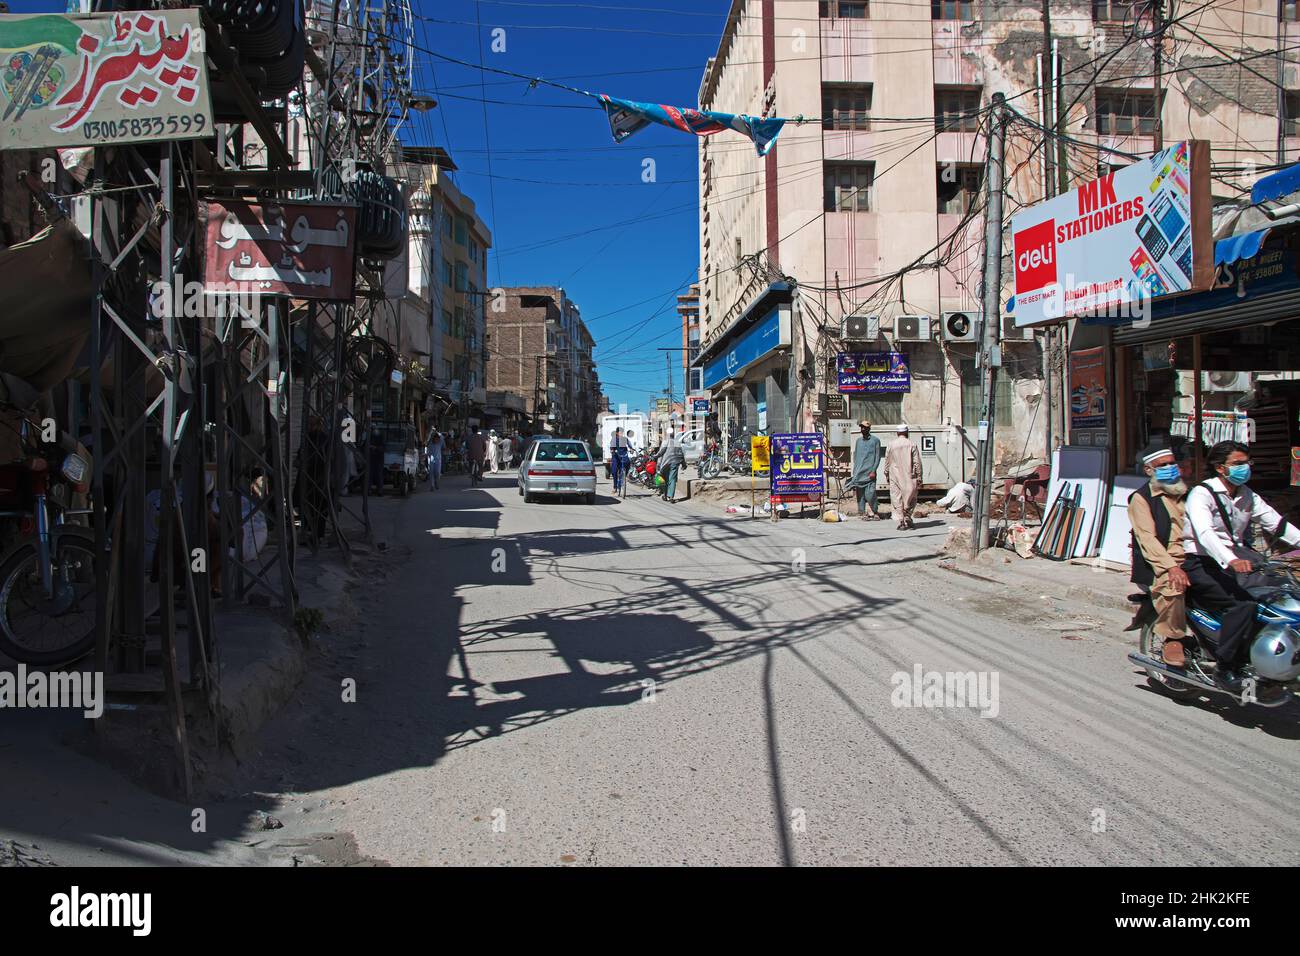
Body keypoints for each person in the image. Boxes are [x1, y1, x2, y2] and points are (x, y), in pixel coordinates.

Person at [1183, 440, 1300, 688]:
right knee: (1243, 605)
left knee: (1281, 594)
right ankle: (1225, 668)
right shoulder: (1201, 493)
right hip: (1202, 562)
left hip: (1240, 558)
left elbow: (1277, 525)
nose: (1244, 468)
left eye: (1247, 462)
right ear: (1220, 467)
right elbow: (1205, 534)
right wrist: (1231, 559)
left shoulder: (1247, 495)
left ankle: (1264, 660)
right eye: (1237, 463)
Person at [1128, 447, 1190, 666]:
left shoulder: (1187, 493)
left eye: (1172, 463)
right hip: (1164, 561)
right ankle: (1172, 638)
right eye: (1163, 465)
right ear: (1148, 470)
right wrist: (1171, 567)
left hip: (1192, 556)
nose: (1170, 468)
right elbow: (1147, 539)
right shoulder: (1141, 498)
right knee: (1173, 586)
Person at [884, 424, 922, 530]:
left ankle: (901, 521)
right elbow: (917, 462)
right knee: (911, 497)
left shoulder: (891, 444)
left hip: (894, 475)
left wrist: (886, 473)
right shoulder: (912, 444)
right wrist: (919, 476)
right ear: (907, 432)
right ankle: (907, 516)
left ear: (897, 433)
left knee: (896, 498)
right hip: (910, 475)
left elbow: (887, 460)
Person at [847, 419, 883, 519]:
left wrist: (873, 470)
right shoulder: (858, 441)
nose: (863, 429)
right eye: (861, 427)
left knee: (870, 494)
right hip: (859, 473)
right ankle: (862, 513)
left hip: (869, 474)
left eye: (865, 427)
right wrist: (855, 471)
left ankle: (875, 512)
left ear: (869, 429)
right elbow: (856, 457)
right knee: (860, 495)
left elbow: (877, 457)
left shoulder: (875, 441)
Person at [657, 430, 685, 502]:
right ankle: (671, 497)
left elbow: (661, 453)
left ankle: (665, 495)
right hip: (675, 463)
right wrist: (683, 464)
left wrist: (658, 463)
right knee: (672, 479)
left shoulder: (665, 442)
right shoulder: (677, 443)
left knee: (665, 479)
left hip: (666, 463)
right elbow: (681, 454)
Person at [609, 426, 632, 494]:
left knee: (628, 463)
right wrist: (612, 450)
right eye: (620, 432)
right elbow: (611, 447)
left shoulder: (625, 439)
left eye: (622, 432)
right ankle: (615, 487)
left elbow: (629, 444)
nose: (621, 433)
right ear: (617, 433)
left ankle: (625, 476)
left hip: (624, 455)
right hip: (616, 456)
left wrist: (631, 449)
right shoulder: (614, 439)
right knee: (614, 471)